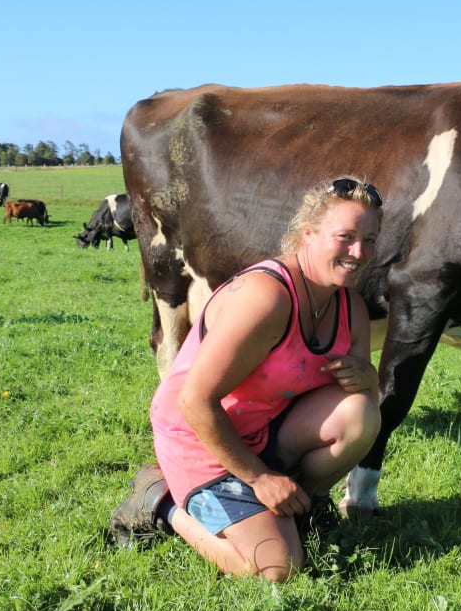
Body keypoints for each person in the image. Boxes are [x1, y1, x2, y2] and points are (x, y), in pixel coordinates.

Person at [109, 176, 383, 583]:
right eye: (345, 237)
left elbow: (355, 395)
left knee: (362, 413)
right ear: (308, 234)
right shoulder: (266, 297)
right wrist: (259, 478)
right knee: (275, 570)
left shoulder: (351, 307)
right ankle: (161, 501)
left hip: (266, 426)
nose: (358, 252)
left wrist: (368, 377)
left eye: (370, 240)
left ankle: (298, 507)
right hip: (202, 437)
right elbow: (193, 401)